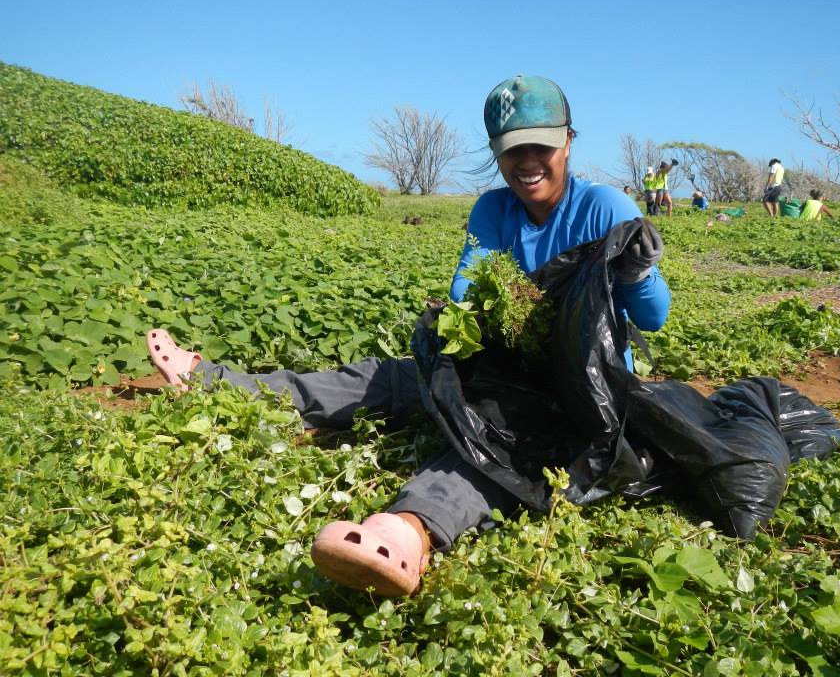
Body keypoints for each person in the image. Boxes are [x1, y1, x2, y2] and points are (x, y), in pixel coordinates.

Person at [144, 75, 671, 597]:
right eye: (513, 150)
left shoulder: (605, 209)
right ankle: (212, 381)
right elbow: (467, 283)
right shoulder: (494, 209)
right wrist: (466, 312)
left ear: (568, 141)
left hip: (575, 396)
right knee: (385, 379)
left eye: (542, 146)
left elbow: (653, 318)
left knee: (497, 452)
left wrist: (638, 273)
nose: (527, 162)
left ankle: (405, 533)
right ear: (496, 152)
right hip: (501, 373)